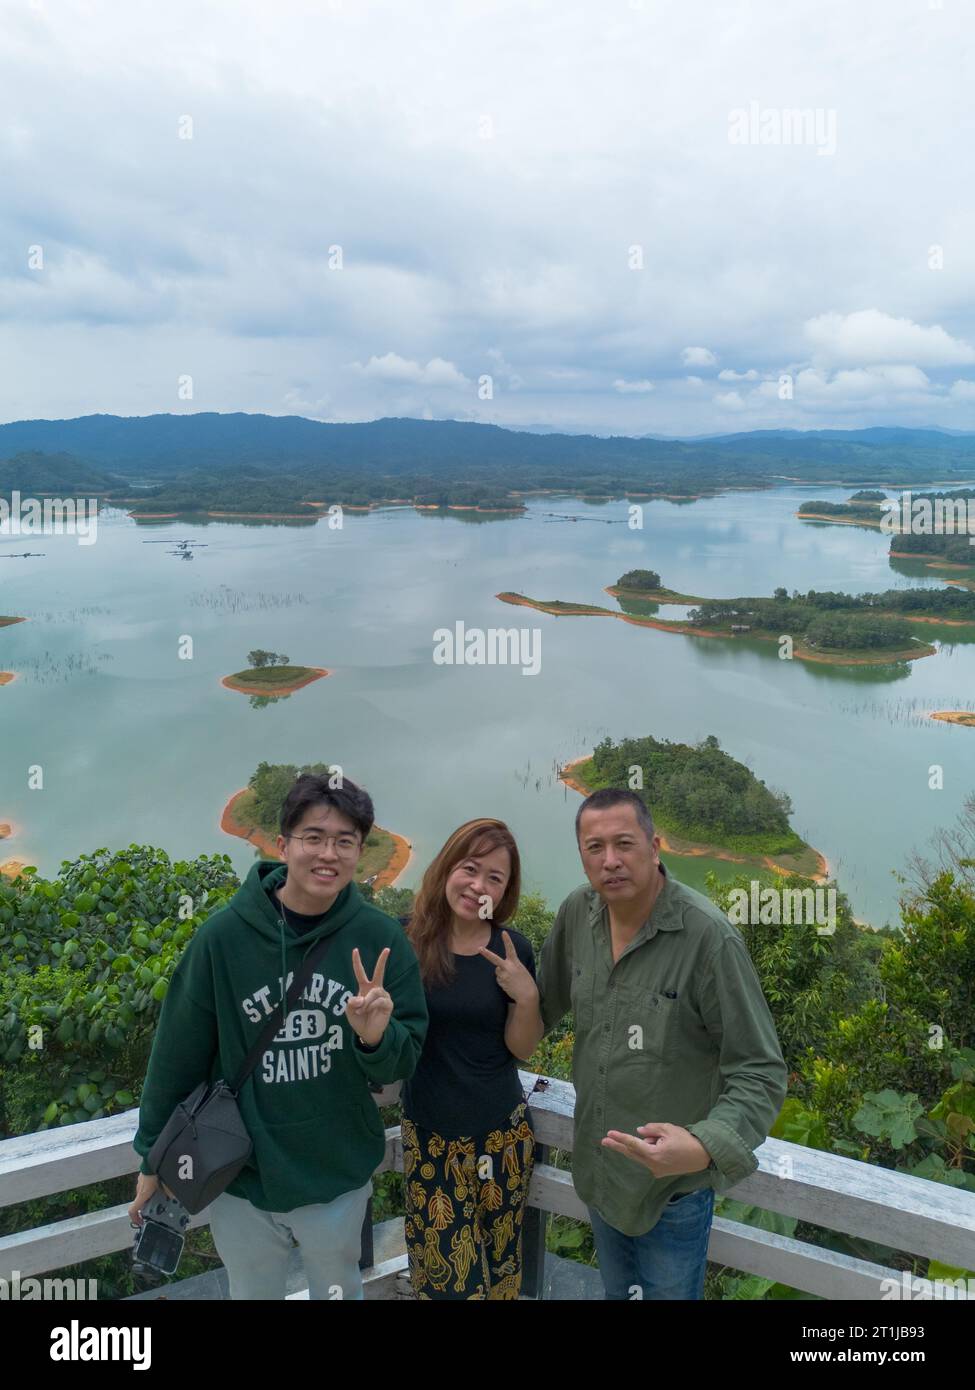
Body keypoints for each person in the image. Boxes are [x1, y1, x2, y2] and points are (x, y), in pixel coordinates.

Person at [128, 772, 428, 1300]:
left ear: (362, 850)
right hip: (240, 1175)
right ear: (283, 844)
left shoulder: (381, 940)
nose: (327, 854)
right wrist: (153, 1157)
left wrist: (376, 1039)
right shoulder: (222, 939)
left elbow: (401, 1064)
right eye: (313, 838)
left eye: (344, 841)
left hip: (335, 1174)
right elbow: (176, 1054)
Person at [537, 787, 787, 1300]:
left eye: (624, 843)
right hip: (602, 1173)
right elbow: (541, 1005)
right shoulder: (576, 916)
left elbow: (760, 1070)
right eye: (594, 848)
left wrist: (702, 1146)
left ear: (656, 846)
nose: (611, 861)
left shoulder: (708, 940)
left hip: (674, 1193)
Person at [398, 818, 544, 1299]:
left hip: (502, 1136)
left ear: (504, 892)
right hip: (431, 1140)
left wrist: (525, 997)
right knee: (447, 1281)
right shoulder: (407, 942)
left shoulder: (511, 949)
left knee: (501, 1271)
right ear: (447, 868)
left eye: (494, 878)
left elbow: (522, 1049)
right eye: (470, 868)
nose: (478, 886)